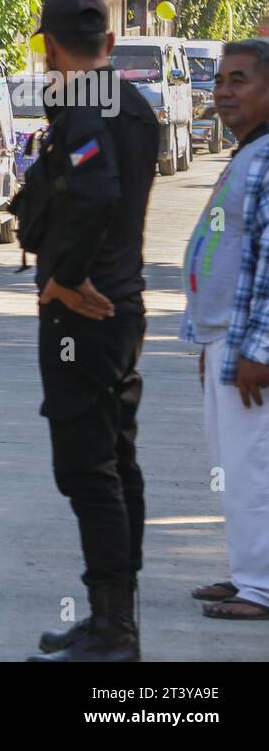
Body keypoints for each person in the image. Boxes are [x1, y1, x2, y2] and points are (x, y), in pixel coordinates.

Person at [20, 0, 159, 662]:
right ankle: (113, 620)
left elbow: (97, 192)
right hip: (125, 306)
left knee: (87, 468)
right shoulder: (134, 104)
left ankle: (113, 630)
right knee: (116, 461)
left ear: (48, 47)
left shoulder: (84, 104)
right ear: (110, 43)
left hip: (89, 312)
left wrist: (65, 281)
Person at [181, 37, 269, 621]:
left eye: (239, 80)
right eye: (219, 80)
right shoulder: (248, 153)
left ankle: (261, 588)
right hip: (224, 339)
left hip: (251, 347)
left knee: (252, 467)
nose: (223, 92)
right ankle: (247, 573)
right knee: (233, 467)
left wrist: (261, 349)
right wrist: (208, 338)